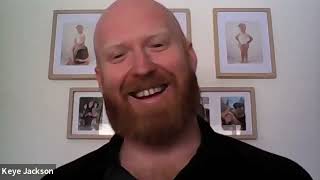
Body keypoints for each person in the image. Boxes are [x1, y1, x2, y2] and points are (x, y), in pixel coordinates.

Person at [42, 0, 312, 179]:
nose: (142, 68)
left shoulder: (283, 177)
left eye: (157, 45)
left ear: (190, 56)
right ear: (100, 79)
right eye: (118, 56)